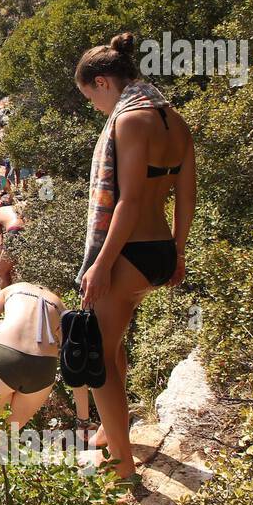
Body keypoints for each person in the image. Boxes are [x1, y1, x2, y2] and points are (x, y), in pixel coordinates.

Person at [74, 32, 195, 479]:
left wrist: (101, 263)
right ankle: (113, 432)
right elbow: (187, 195)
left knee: (99, 355)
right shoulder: (175, 121)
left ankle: (120, 464)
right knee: (114, 342)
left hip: (127, 253)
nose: (95, 108)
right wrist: (179, 251)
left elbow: (125, 201)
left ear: (104, 83)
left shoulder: (129, 121)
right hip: (160, 249)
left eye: (91, 98)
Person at [0, 281, 66, 428]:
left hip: (4, 355)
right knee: (8, 434)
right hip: (43, 367)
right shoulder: (59, 304)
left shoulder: (15, 288)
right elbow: (67, 346)